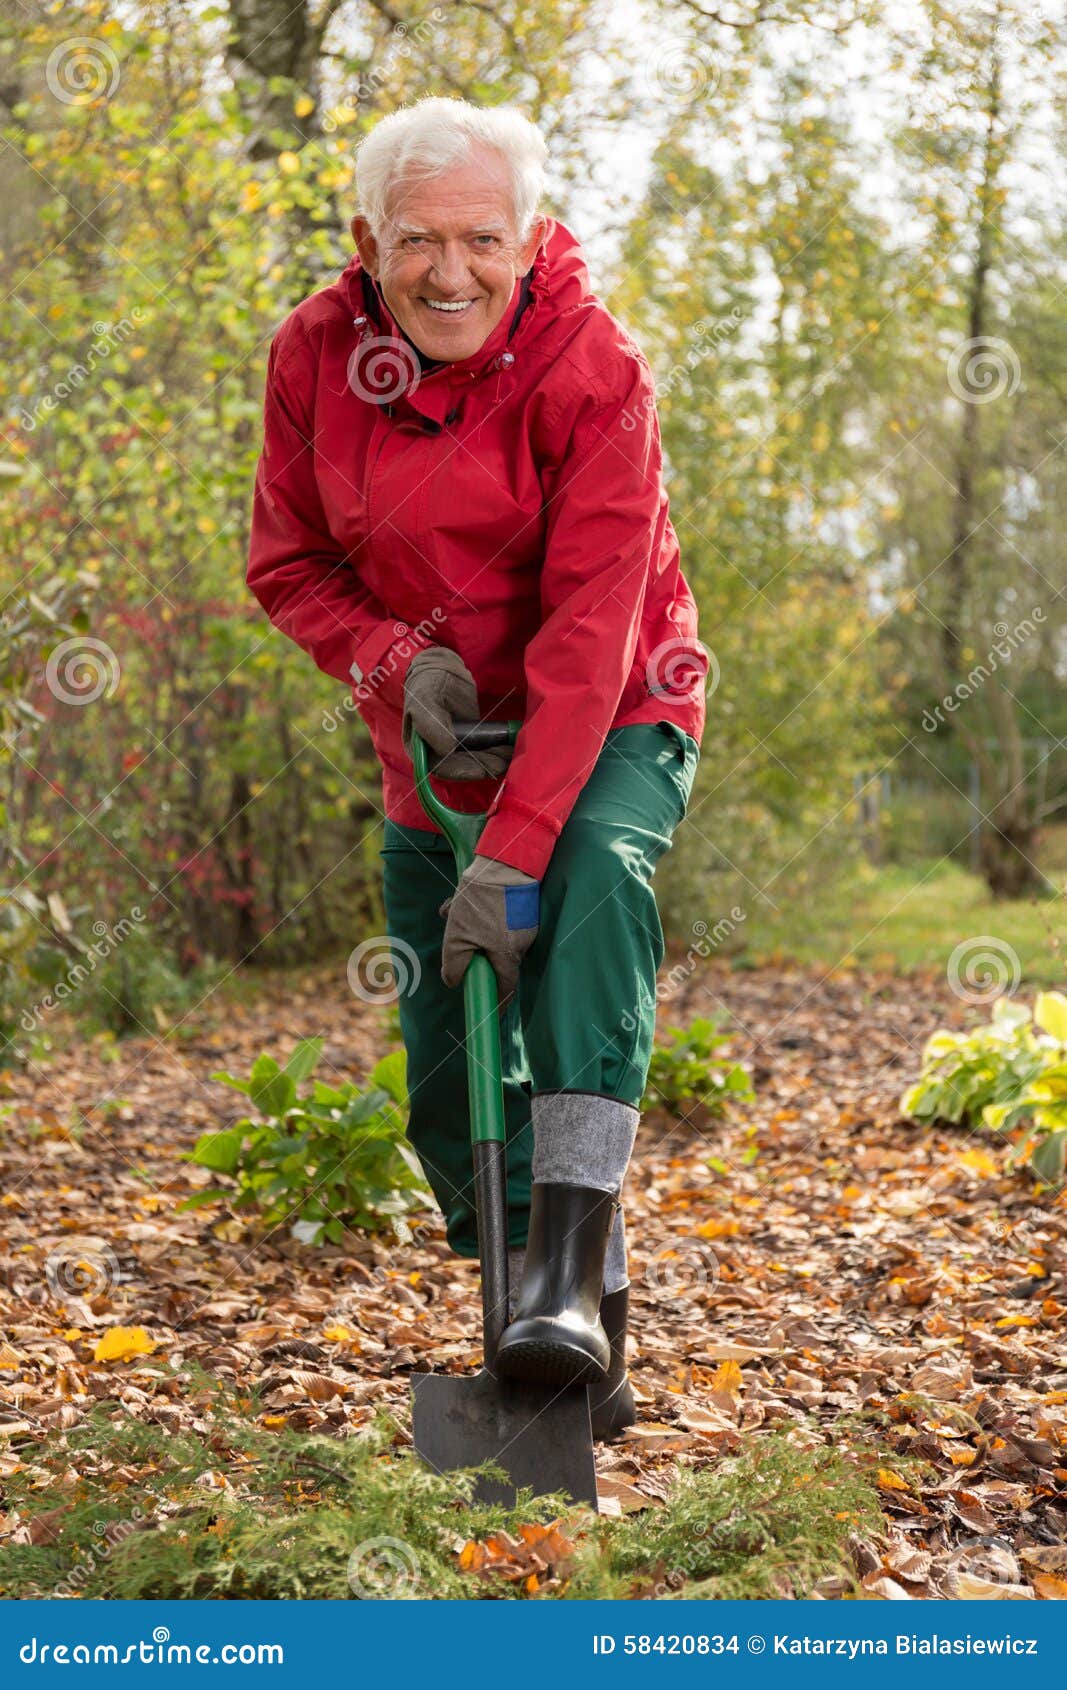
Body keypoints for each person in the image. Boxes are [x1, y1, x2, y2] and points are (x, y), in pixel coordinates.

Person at [247, 97, 706, 1437]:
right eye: (419, 242)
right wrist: (390, 658)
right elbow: (286, 564)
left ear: (531, 237)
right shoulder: (314, 358)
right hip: (437, 733)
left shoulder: (592, 367)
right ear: (365, 242)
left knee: (592, 898)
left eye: (482, 240)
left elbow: (589, 629)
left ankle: (567, 1276)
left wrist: (514, 854)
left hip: (612, 698)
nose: (452, 272)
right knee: (447, 1048)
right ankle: (544, 1321)